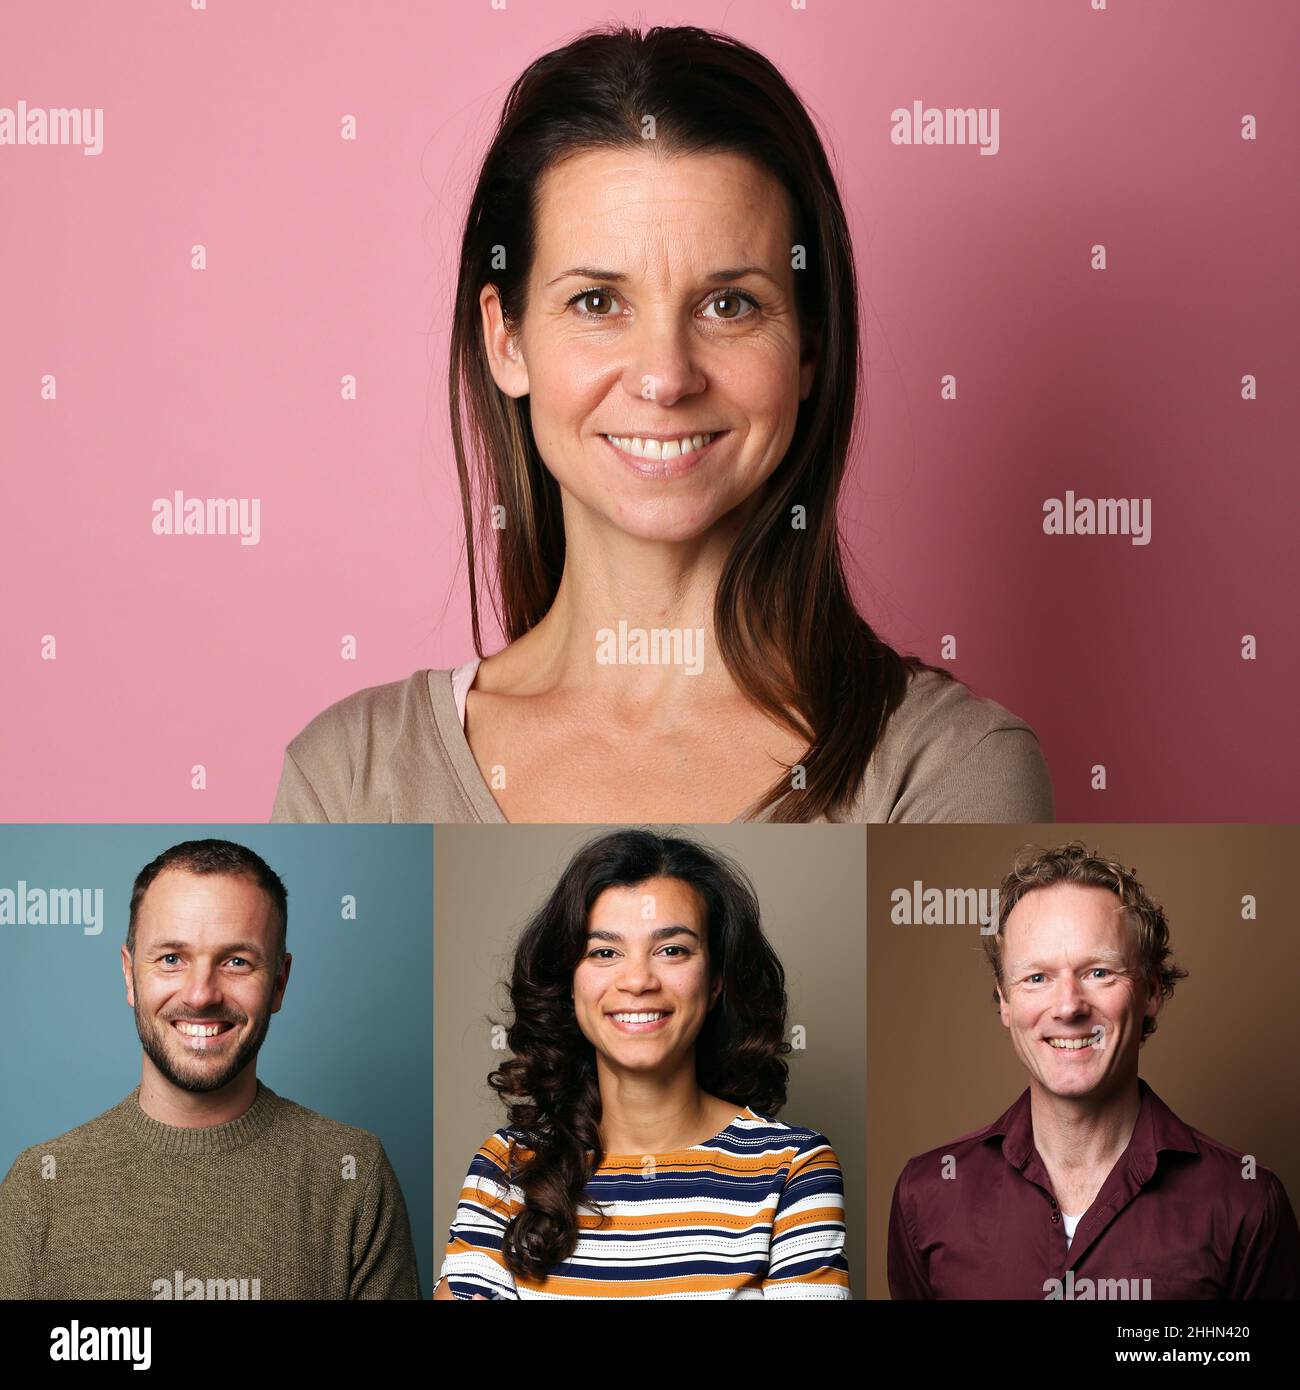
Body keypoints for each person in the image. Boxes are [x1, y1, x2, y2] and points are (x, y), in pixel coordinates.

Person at [271, 23, 1053, 826]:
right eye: (598, 302)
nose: (665, 377)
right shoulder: (347, 782)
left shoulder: (952, 770)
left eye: (729, 304)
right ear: (507, 342)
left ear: (810, 347)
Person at [434, 829, 851, 1299]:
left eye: (671, 949)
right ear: (570, 985)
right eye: (605, 952)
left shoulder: (793, 1166)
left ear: (716, 979)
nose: (637, 980)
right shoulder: (506, 1166)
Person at [0, 839, 421, 1300]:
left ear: (279, 983)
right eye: (171, 959)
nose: (201, 995)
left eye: (236, 961)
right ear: (129, 975)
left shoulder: (354, 1174)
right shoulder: (40, 1185)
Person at [887, 842, 1300, 1300]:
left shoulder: (1247, 1204)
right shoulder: (926, 1195)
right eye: (1037, 978)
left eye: (1099, 972)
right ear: (1005, 1001)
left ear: (1152, 991)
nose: (1068, 1006)